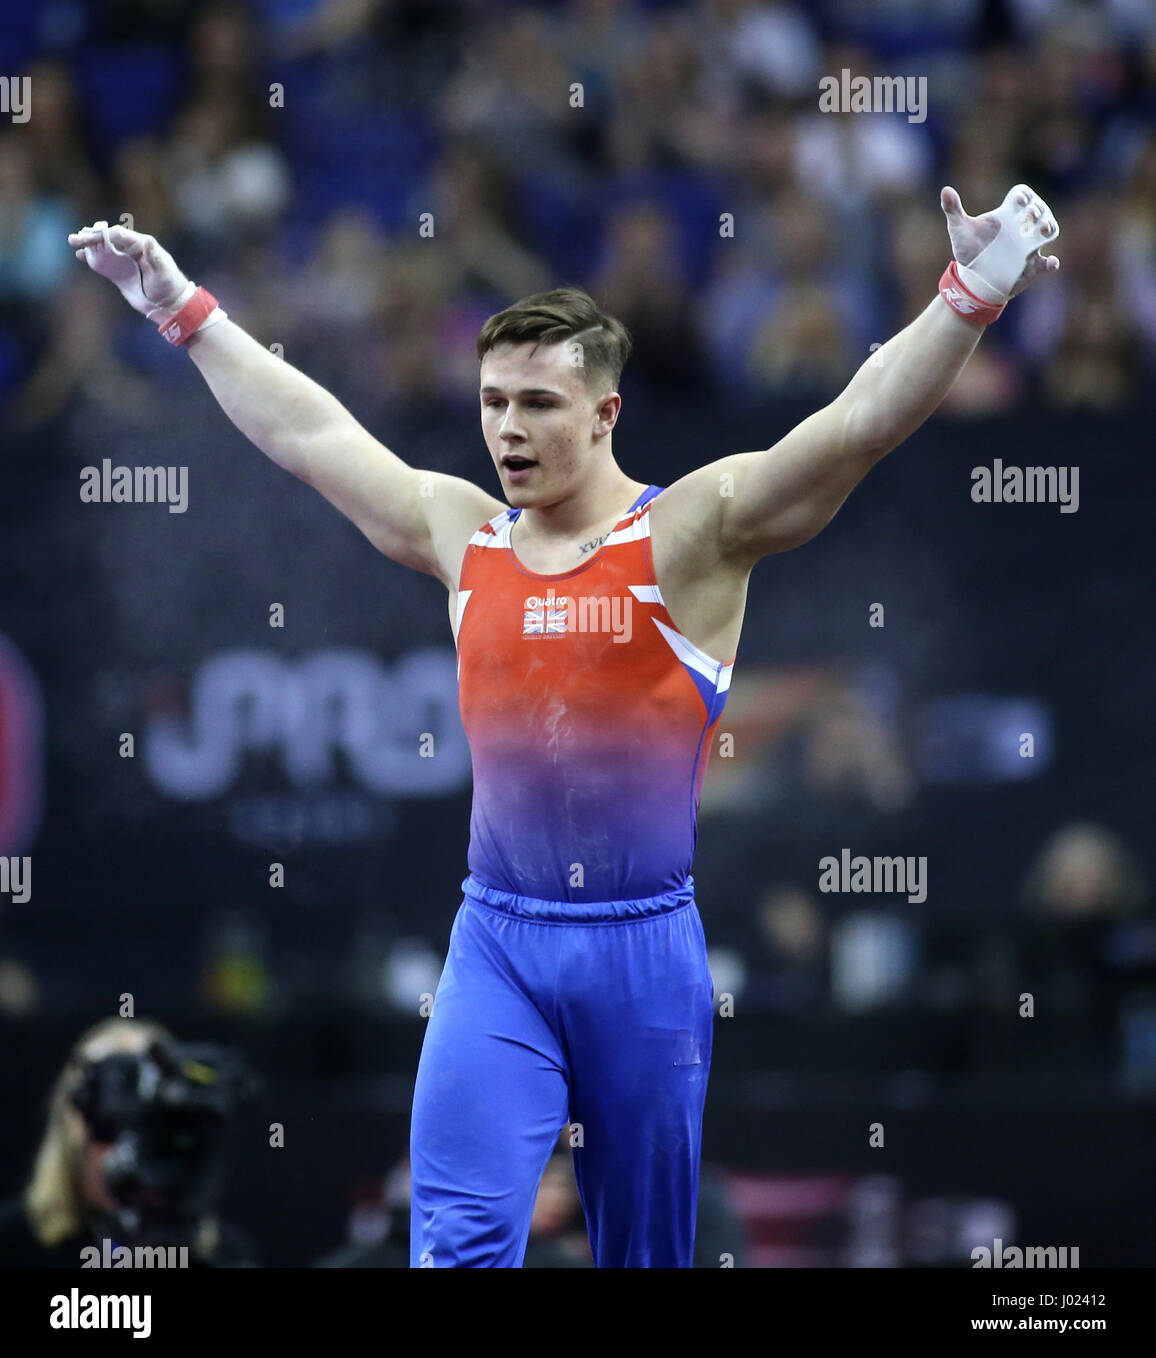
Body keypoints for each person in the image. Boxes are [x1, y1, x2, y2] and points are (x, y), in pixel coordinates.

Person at [66, 180, 1060, 1266]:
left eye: (538, 403)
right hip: (497, 941)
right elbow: (308, 429)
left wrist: (972, 290)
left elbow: (857, 424)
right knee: (454, 1241)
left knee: (644, 1251)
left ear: (605, 413)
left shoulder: (693, 530)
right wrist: (184, 310)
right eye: (493, 400)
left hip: (644, 953)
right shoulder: (464, 535)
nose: (507, 428)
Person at [0, 1017, 258, 1267]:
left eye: (146, 1121)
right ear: (74, 1120)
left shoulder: (226, 1255)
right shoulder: (13, 1245)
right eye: (111, 1120)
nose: (125, 1148)